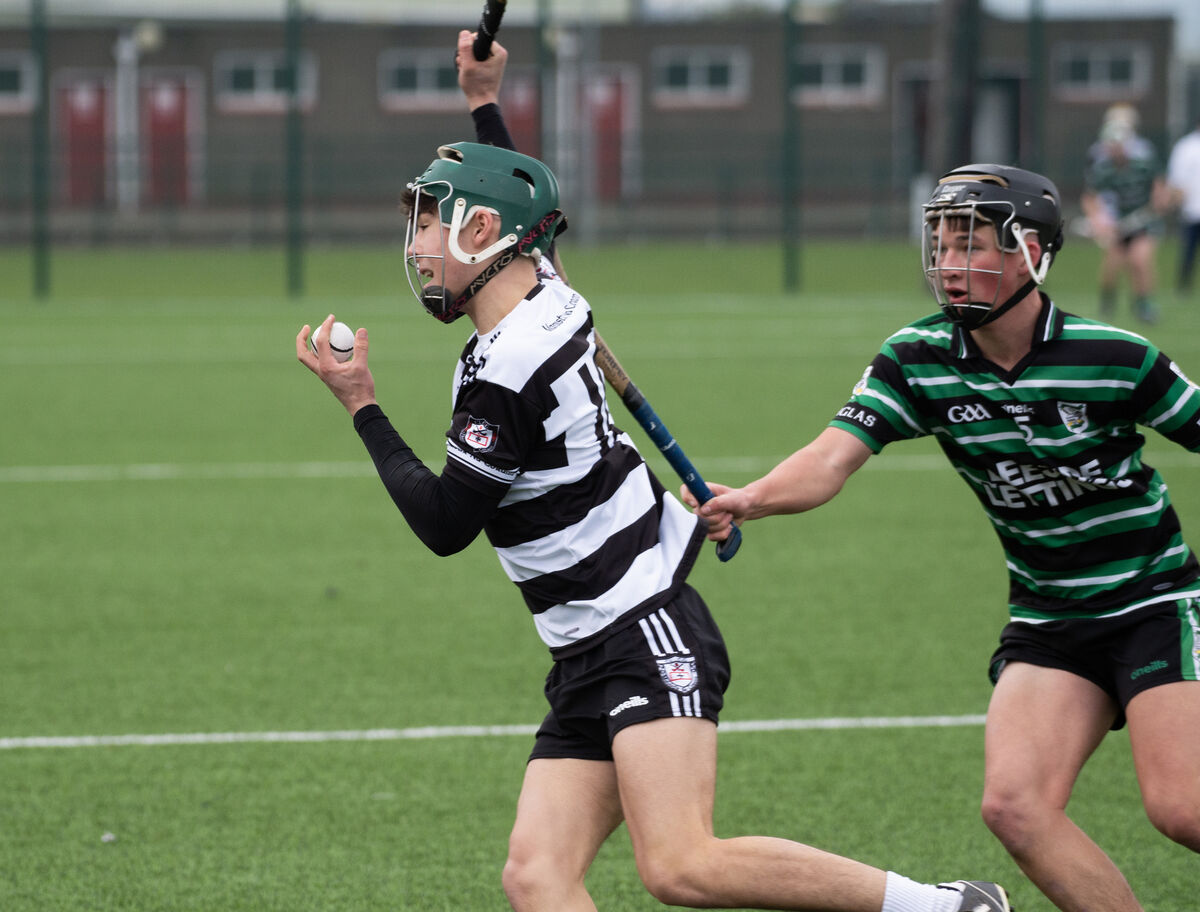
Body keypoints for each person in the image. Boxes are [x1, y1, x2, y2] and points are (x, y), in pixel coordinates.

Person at [294, 55, 1012, 912]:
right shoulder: (549, 291)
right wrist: (486, 107)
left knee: (680, 865)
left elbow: (448, 521)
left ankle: (947, 908)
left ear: (482, 233)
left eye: (429, 223)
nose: (415, 245)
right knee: (536, 874)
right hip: (586, 644)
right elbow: (535, 214)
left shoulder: (509, 368)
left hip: (642, 625)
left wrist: (362, 405)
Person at [687, 163, 1200, 912]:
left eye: (973, 245)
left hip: (1151, 601)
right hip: (1049, 616)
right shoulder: (916, 360)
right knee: (1015, 808)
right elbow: (832, 458)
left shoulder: (1117, 358)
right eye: (942, 244)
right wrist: (753, 499)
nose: (950, 266)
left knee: (1181, 807)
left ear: (1031, 252)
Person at [1079, 105, 1170, 323]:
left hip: (1143, 222)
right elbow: (1089, 197)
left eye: (1118, 145)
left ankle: (1144, 305)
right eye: (1111, 145)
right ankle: (1107, 302)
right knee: (1112, 266)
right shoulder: (1104, 169)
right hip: (1120, 223)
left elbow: (1159, 187)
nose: (1115, 149)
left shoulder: (1143, 164)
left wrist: (1159, 199)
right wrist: (1099, 220)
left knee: (1140, 261)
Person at [1166, 115, 1200, 293]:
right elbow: (1177, 178)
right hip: (1193, 209)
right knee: (1189, 250)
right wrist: (1177, 198)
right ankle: (1184, 285)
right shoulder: (1186, 147)